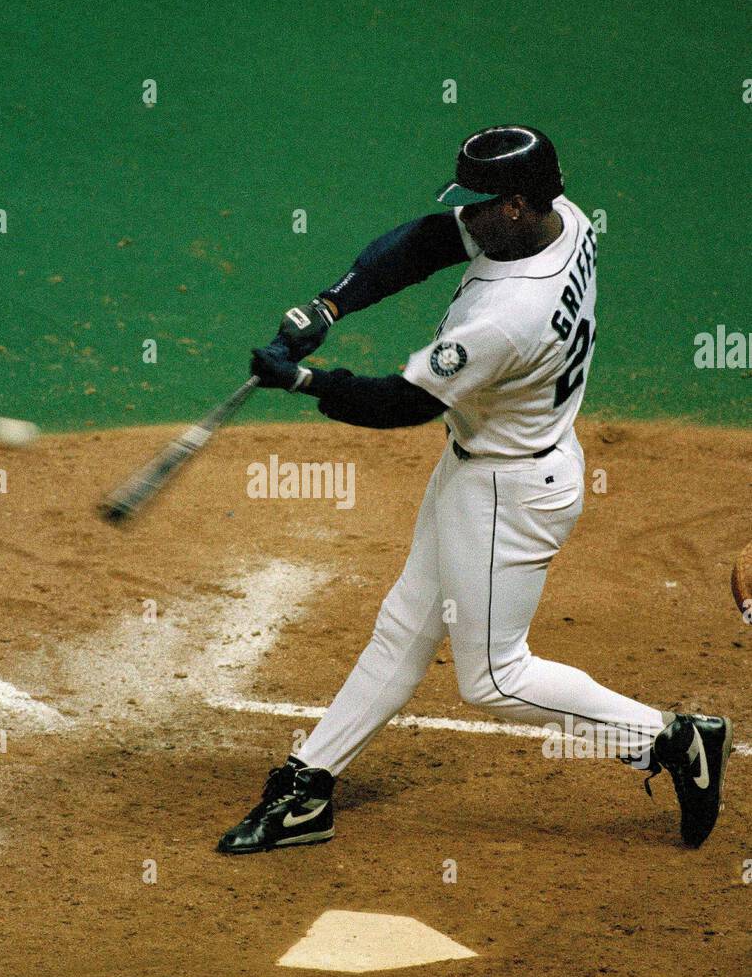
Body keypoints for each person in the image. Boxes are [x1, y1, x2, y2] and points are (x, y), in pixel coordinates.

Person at [217, 126, 733, 855]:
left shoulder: (507, 318)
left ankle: (675, 741)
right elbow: (428, 240)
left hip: (507, 495)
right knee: (405, 625)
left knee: (493, 676)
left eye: (481, 204)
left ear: (517, 205)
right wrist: (330, 306)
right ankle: (311, 786)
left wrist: (304, 381)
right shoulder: (563, 221)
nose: (468, 216)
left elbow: (405, 403)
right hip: (493, 469)